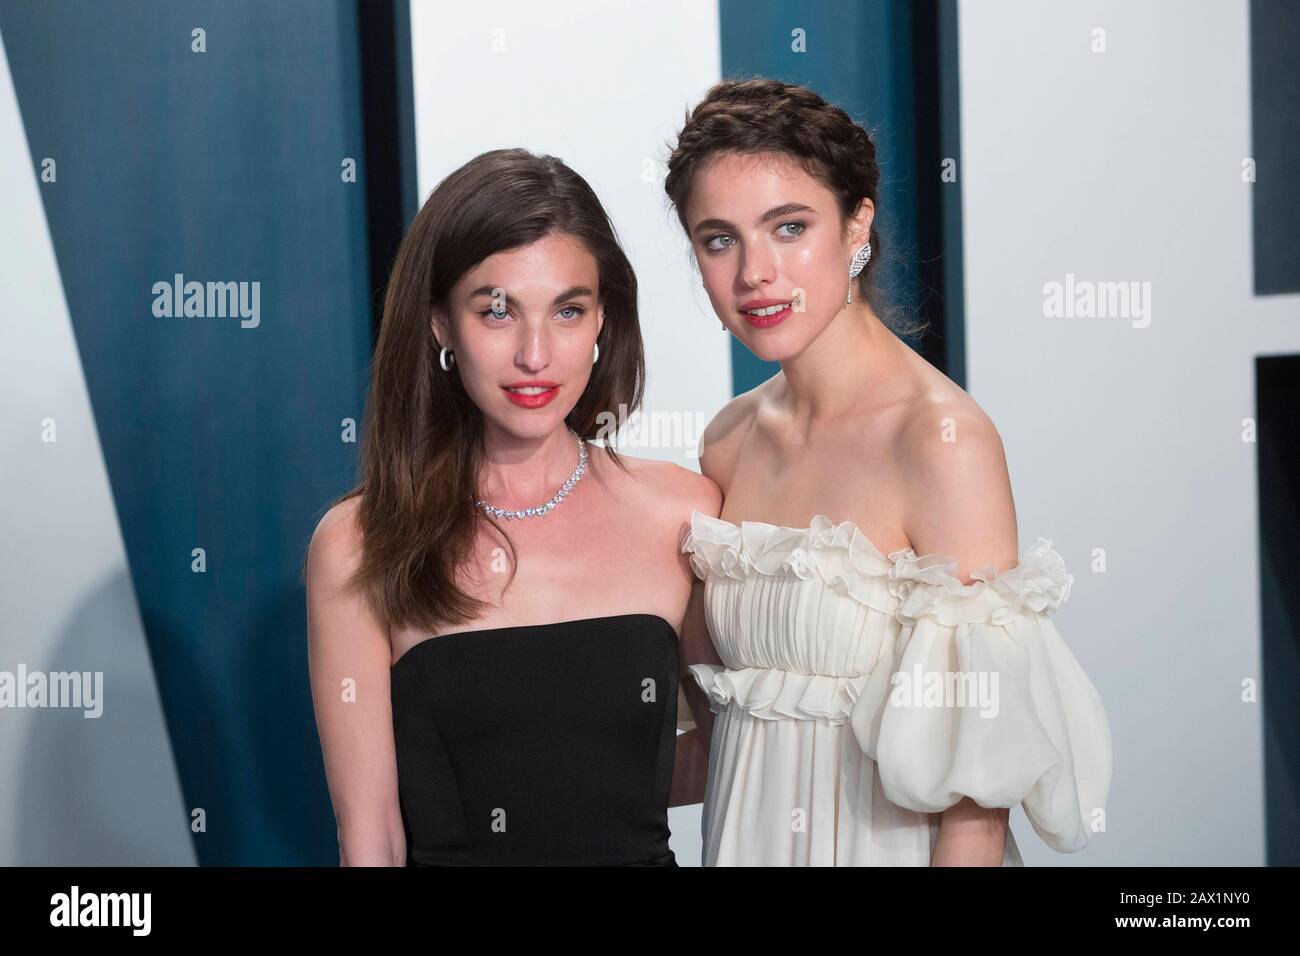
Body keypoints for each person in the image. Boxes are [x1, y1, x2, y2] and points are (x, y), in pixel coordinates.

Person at [665, 78, 1113, 866]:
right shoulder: (729, 441)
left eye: (790, 227)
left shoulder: (940, 440)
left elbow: (979, 792)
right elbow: (719, 723)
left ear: (858, 222)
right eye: (719, 238)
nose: (755, 273)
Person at [306, 148, 719, 866]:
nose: (536, 354)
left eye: (568, 310)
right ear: (440, 324)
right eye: (497, 311)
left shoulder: (681, 514)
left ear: (602, 323)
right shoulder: (359, 543)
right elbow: (370, 838)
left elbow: (731, 754)